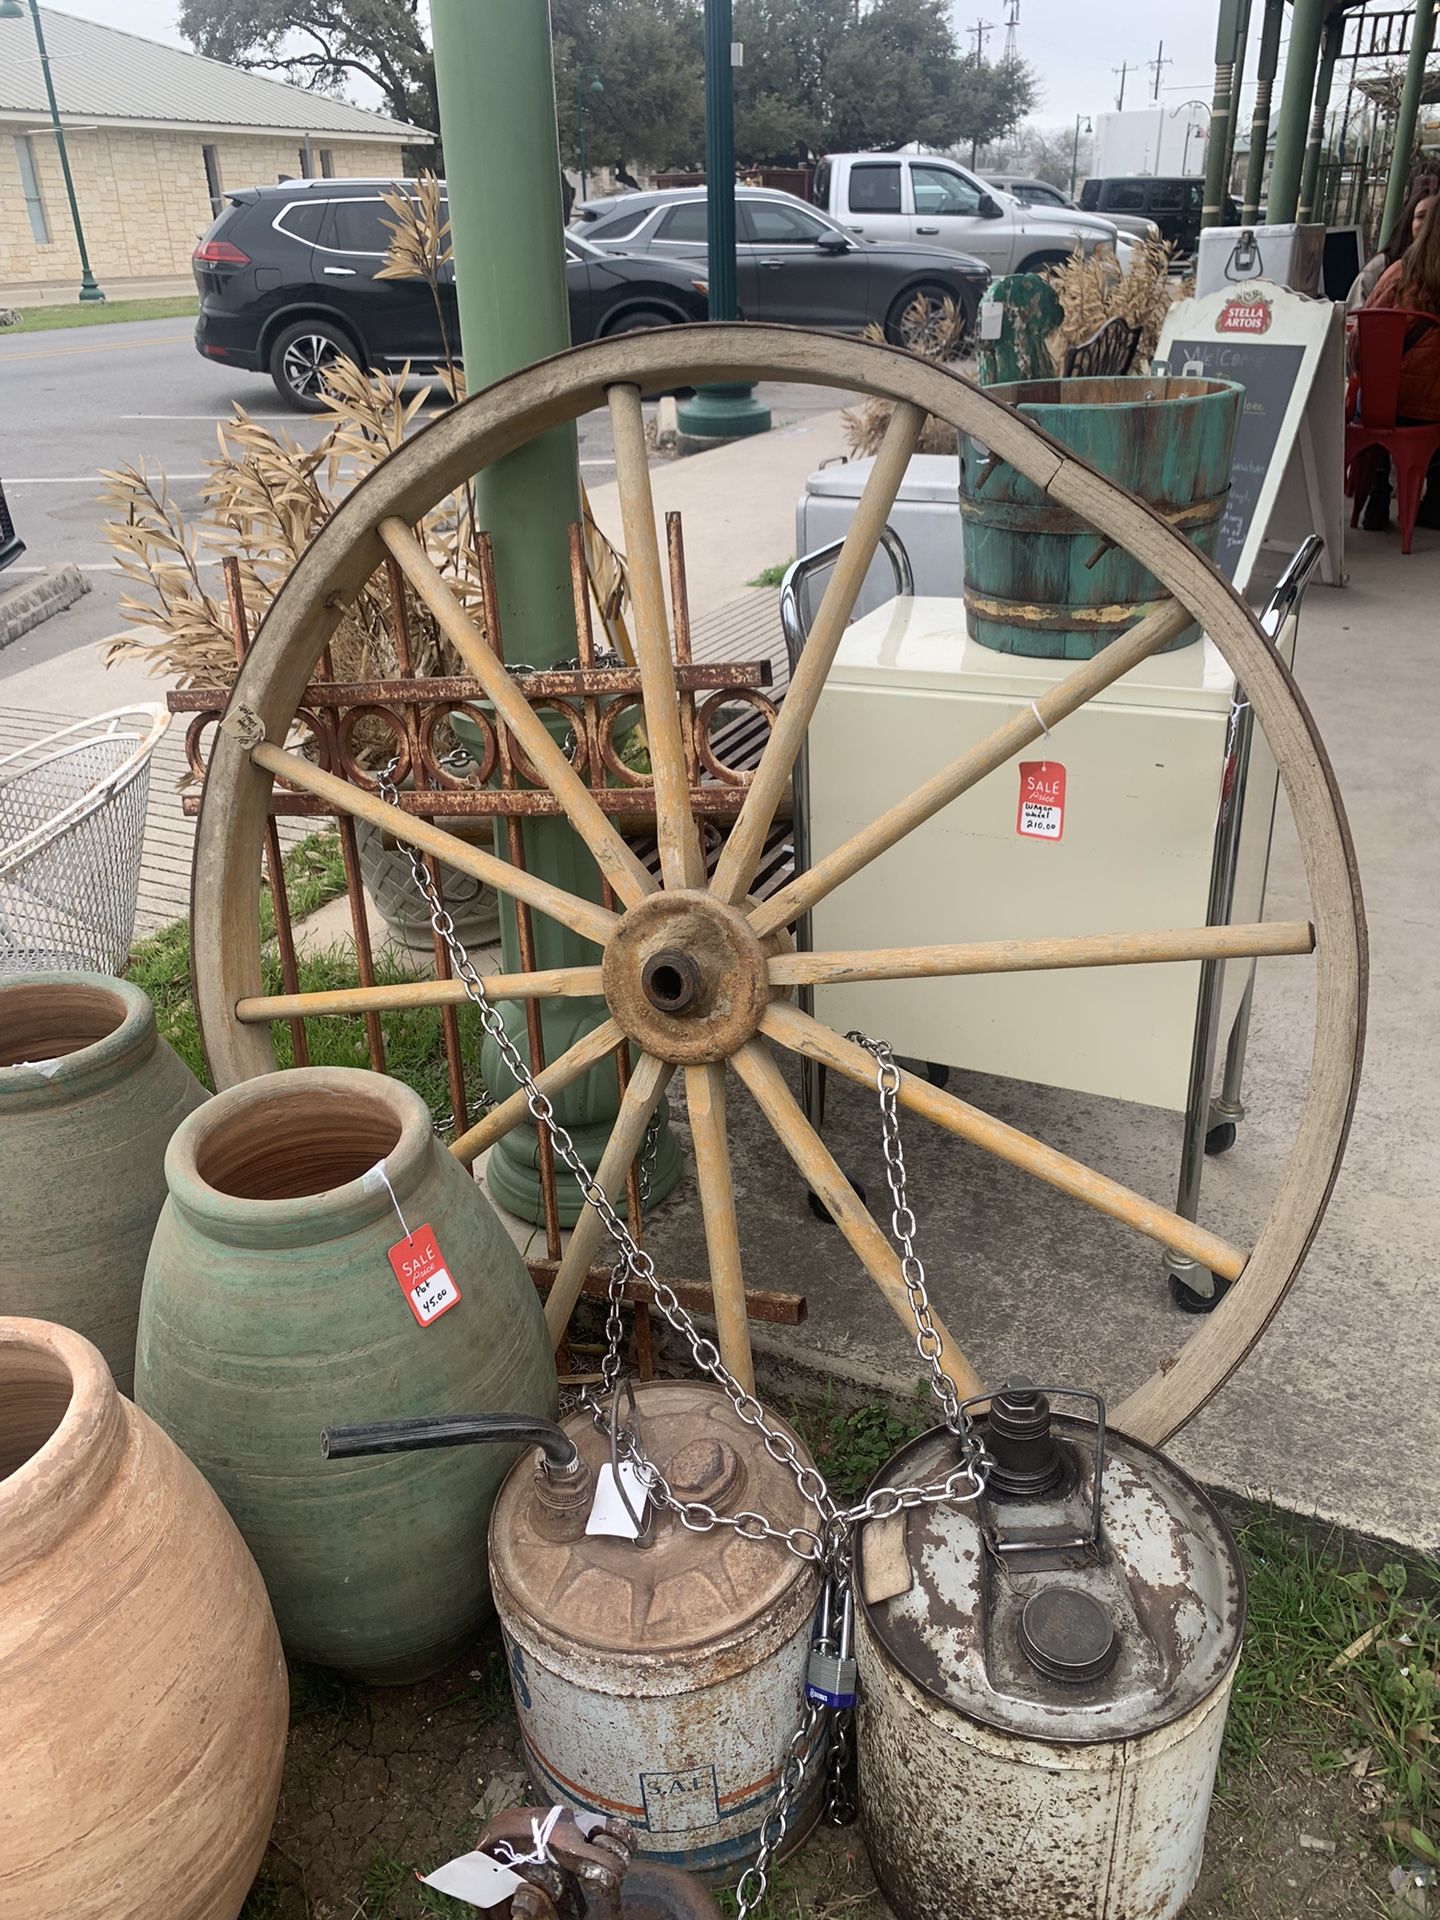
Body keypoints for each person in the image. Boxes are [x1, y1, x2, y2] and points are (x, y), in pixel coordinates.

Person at [1355, 193, 1440, 530]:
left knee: (1377, 399)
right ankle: (1432, 504)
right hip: (1433, 410)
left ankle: (1377, 491)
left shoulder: (1396, 273)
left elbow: (1361, 337)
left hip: (1383, 405)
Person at [1346, 176, 1438, 313]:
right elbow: (1354, 319)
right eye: (1421, 216)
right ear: (1408, 222)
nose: (1428, 225)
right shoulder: (1384, 266)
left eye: (1434, 219)